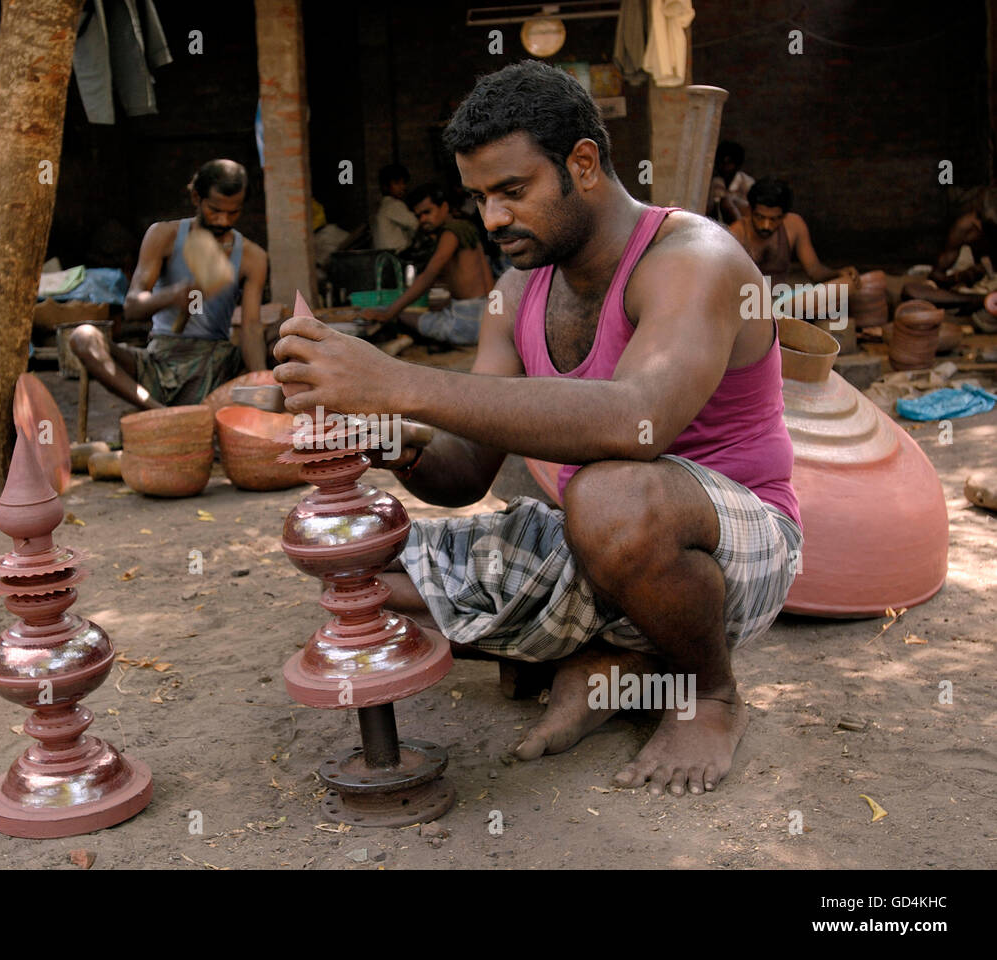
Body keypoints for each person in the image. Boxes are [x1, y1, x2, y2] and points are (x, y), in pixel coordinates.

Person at [273, 61, 803, 798]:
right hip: (598, 543)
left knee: (610, 496)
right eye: (478, 197)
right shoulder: (517, 290)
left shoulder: (692, 260)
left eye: (511, 191)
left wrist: (399, 380)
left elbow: (634, 422)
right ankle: (613, 663)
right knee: (360, 572)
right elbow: (462, 475)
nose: (491, 219)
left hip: (732, 548)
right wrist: (387, 432)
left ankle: (708, 693)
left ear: (582, 163)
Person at [69, 159, 268, 409]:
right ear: (196, 198)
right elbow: (131, 308)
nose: (223, 221)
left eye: (233, 212)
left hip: (218, 364)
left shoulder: (253, 257)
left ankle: (226, 404)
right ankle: (157, 410)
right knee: (82, 337)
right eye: (215, 210)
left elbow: (250, 328)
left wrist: (263, 384)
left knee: (286, 334)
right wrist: (172, 295)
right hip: (161, 359)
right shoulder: (163, 236)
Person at [360, 184, 494, 345]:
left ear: (444, 207)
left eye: (427, 212)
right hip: (484, 320)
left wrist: (389, 313)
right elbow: (487, 278)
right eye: (418, 216)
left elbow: (429, 275)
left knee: (400, 317)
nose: (422, 219)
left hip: (462, 325)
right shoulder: (467, 228)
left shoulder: (450, 232)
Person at [728, 178, 858, 288]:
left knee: (843, 288)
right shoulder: (736, 233)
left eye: (774, 219)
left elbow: (814, 271)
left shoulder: (794, 225)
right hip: (746, 303)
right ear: (750, 210)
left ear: (784, 216)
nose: (766, 226)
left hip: (781, 301)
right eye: (760, 217)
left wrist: (837, 273)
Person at [372, 163, 419, 253]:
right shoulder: (393, 205)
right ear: (385, 186)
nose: (402, 187)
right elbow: (415, 224)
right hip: (398, 255)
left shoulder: (383, 205)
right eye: (397, 183)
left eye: (404, 183)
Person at [707, 141, 753, 225]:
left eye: (728, 163)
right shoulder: (716, 182)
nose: (724, 167)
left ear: (737, 164)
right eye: (721, 162)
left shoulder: (747, 183)